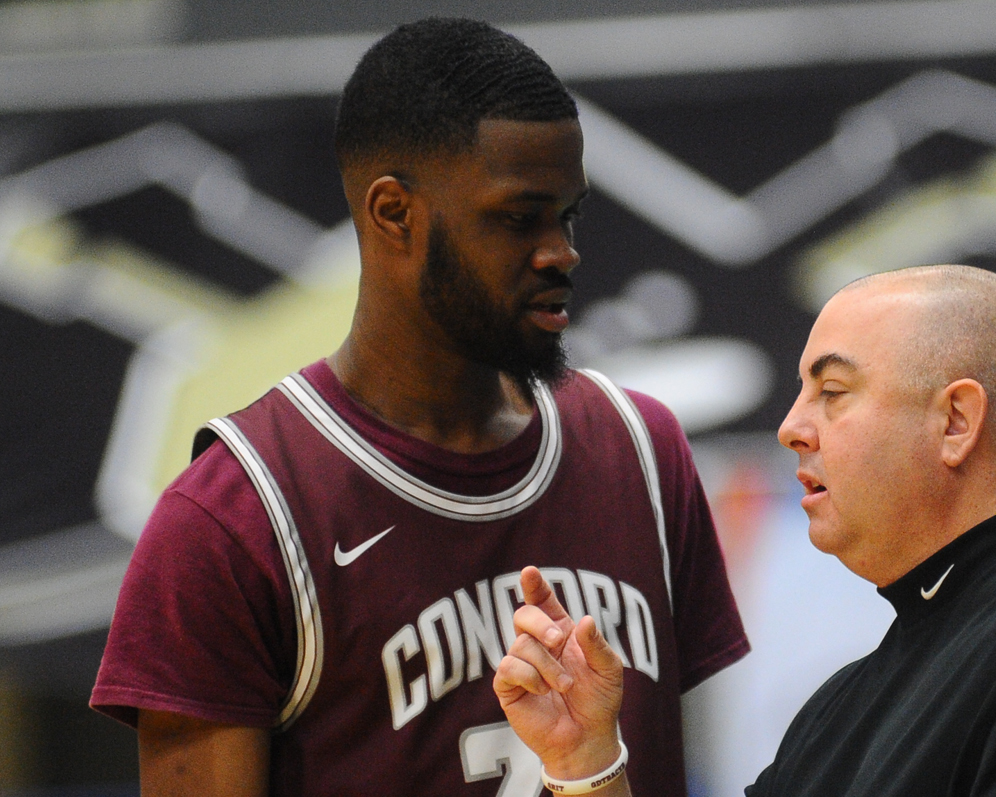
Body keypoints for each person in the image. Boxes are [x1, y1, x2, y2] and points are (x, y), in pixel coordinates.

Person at [90, 18, 749, 797]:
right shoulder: (234, 517)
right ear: (394, 213)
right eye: (517, 218)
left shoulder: (644, 449)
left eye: (567, 215)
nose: (561, 251)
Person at [495, 265, 996, 796]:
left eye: (832, 392)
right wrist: (587, 760)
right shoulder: (849, 701)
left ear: (956, 421)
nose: (789, 427)